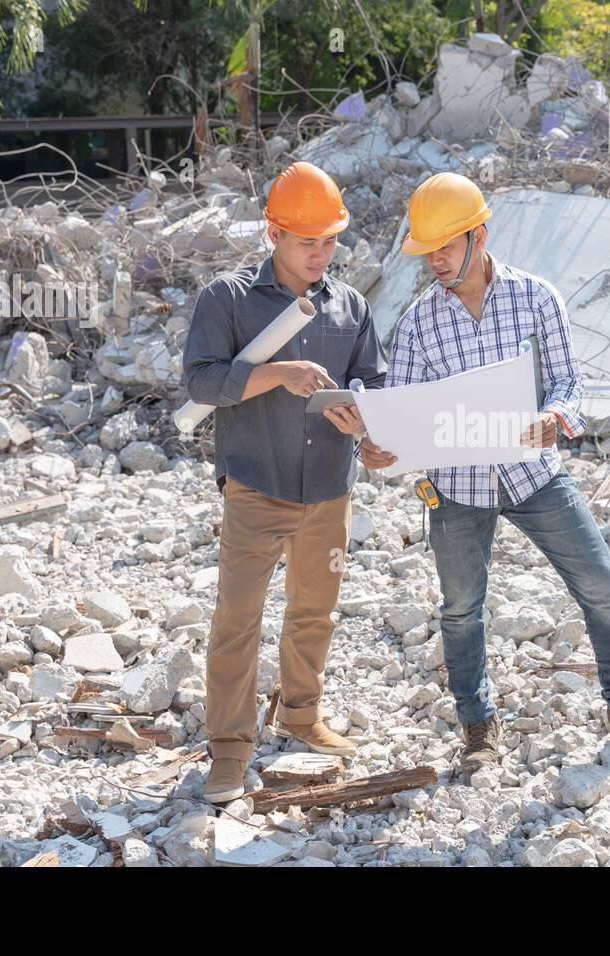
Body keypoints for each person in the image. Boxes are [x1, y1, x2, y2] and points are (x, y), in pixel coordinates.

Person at [330, 172, 610, 778]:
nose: (433, 260)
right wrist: (374, 448)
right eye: (426, 250)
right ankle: (477, 726)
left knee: (602, 589)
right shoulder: (416, 324)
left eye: (444, 246)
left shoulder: (537, 298)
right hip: (457, 488)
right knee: (461, 609)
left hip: (532, 473)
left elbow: (569, 382)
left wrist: (555, 417)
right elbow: (401, 416)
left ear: (479, 235)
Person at [182, 161, 387, 803]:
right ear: (274, 234)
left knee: (314, 611)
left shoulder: (351, 307)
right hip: (255, 486)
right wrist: (275, 372)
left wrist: (372, 429)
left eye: (329, 241)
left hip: (329, 488)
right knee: (238, 618)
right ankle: (229, 751)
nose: (321, 255)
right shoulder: (228, 299)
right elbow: (199, 383)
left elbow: (374, 382)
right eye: (308, 242)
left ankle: (301, 715)